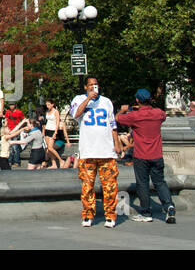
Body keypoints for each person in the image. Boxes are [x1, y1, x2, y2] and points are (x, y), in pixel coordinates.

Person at [116, 89, 175, 224]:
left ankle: (146, 212)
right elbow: (163, 115)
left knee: (142, 183)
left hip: (141, 155)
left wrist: (123, 110)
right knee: (160, 182)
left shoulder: (135, 116)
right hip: (157, 154)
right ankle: (169, 206)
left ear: (137, 100)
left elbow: (117, 119)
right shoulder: (158, 113)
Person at [70, 76, 120, 228]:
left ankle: (110, 215)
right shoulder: (78, 99)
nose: (93, 87)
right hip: (88, 151)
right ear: (85, 87)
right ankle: (87, 214)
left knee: (110, 186)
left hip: (106, 151)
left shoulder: (106, 102)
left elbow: (112, 124)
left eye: (96, 85)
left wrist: (117, 143)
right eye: (90, 85)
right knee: (87, 186)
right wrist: (88, 100)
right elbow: (75, 114)